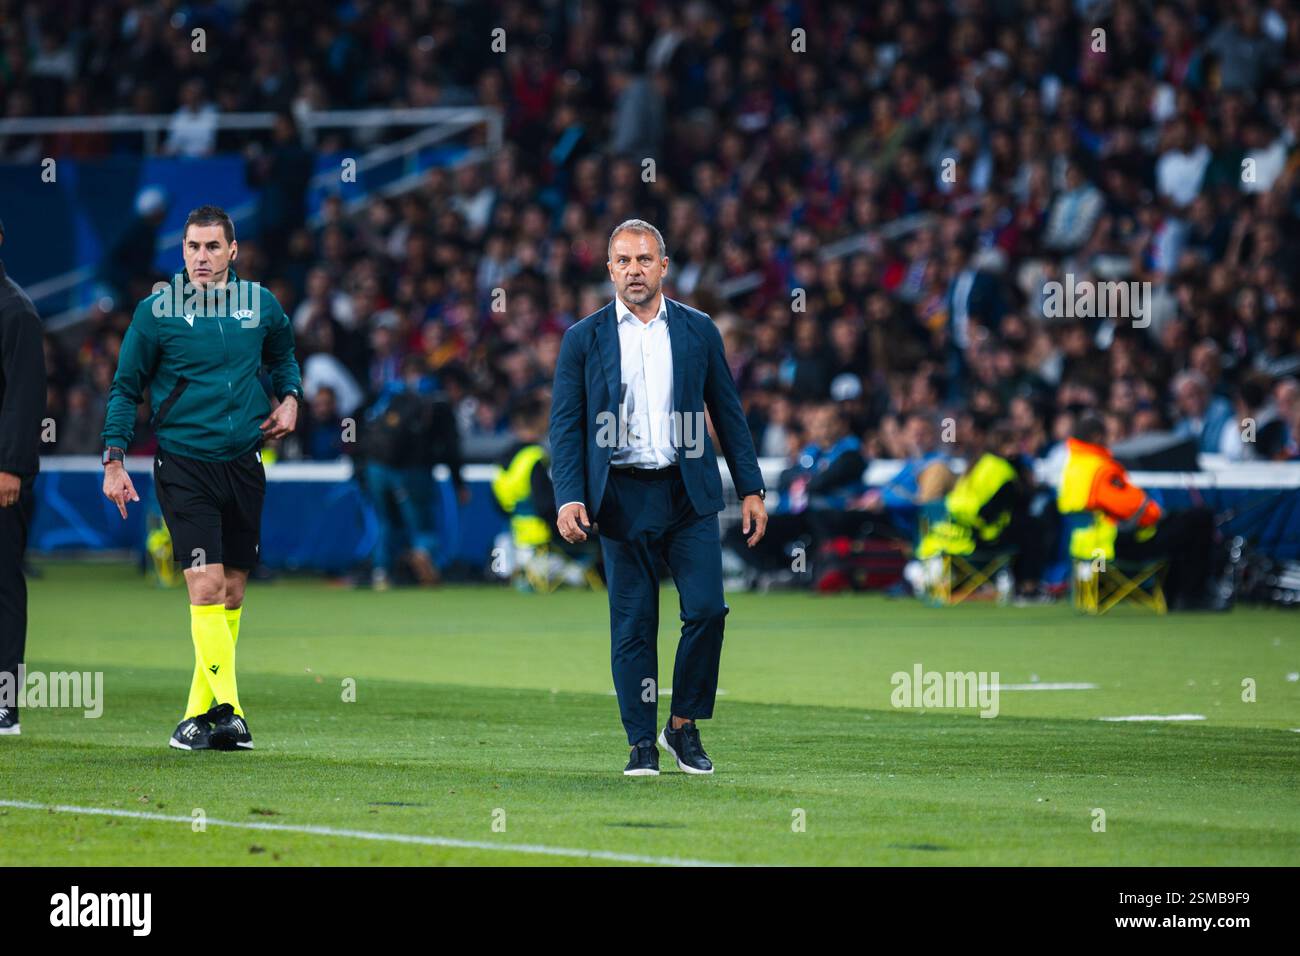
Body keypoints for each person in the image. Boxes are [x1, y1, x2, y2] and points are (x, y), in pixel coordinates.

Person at [549, 219, 767, 777]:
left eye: (644, 260)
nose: (634, 270)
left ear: (664, 267)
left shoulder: (699, 331)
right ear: (609, 269)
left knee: (708, 610)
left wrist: (751, 488)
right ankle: (641, 743)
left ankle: (682, 728)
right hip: (619, 497)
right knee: (633, 625)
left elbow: (728, 412)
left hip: (686, 491)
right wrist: (569, 496)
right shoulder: (583, 338)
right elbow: (566, 427)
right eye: (623, 261)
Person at [100, 205, 303, 751]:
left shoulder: (259, 304)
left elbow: (284, 354)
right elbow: (125, 387)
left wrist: (290, 399)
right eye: (193, 247)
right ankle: (232, 711)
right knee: (206, 586)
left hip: (244, 462)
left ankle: (196, 718)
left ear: (233, 251)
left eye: (213, 247)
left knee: (232, 593)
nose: (202, 258)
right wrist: (114, 459)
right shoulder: (156, 311)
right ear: (181, 250)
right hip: (184, 465)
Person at [1058, 413, 1218, 609]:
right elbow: (1135, 508)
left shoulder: (1071, 467)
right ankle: (1190, 596)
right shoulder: (1100, 469)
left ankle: (1178, 595)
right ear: (1096, 437)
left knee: (1182, 522)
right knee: (1198, 519)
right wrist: (1158, 514)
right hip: (1114, 545)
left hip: (1084, 548)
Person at [0, 216, 47, 736]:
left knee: (3, 585)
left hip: (1, 472)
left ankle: (4, 702)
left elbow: (25, 400)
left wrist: (11, 467)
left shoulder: (15, 311)